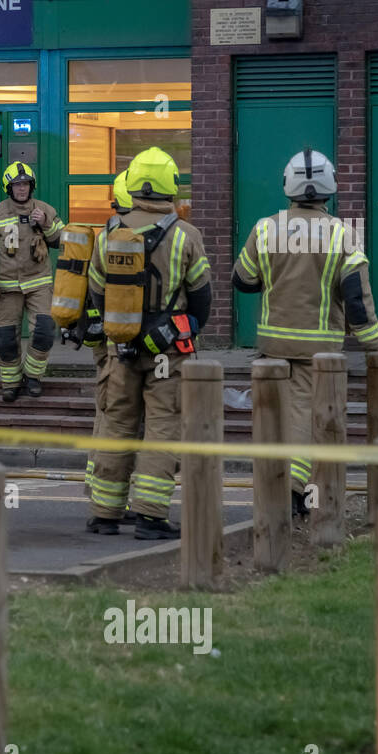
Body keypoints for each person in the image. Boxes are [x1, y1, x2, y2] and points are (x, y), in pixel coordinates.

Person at [233, 148, 378, 516]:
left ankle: (283, 494)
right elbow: (357, 301)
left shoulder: (265, 228)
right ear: (331, 186)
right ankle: (293, 494)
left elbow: (243, 280)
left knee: (274, 423)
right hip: (318, 354)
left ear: (287, 185)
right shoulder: (343, 234)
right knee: (307, 425)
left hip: (271, 348)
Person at [86, 147, 212, 540]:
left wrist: (120, 329)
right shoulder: (186, 235)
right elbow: (203, 301)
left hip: (119, 347)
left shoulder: (109, 231)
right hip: (165, 352)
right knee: (162, 426)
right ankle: (151, 517)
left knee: (116, 422)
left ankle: (105, 513)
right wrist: (180, 326)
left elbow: (94, 292)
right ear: (170, 186)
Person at [0, 161, 65, 401]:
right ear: (9, 188)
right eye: (17, 185)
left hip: (39, 283)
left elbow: (62, 240)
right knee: (6, 338)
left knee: (45, 331)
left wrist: (45, 222)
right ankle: (11, 383)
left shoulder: (45, 209)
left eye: (25, 184)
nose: (22, 189)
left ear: (31, 186)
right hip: (7, 287)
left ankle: (34, 377)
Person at [84, 169, 138, 532]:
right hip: (122, 344)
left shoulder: (104, 237)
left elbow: (94, 290)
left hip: (105, 341)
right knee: (117, 418)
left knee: (108, 412)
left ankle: (102, 489)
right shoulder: (130, 239)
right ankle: (106, 497)